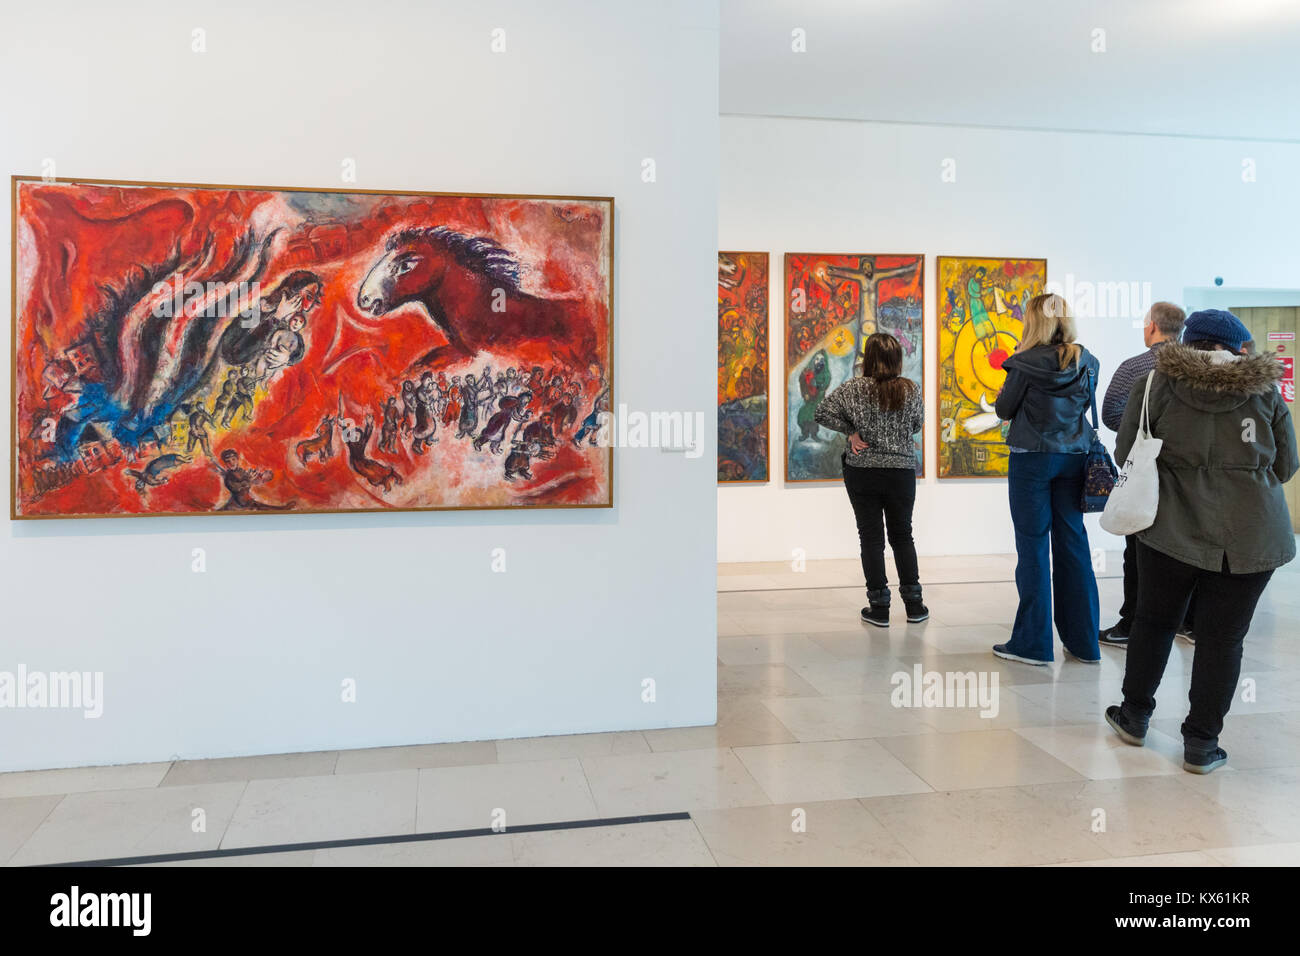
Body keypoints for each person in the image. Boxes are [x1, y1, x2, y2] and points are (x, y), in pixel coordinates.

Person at [1106, 310, 1296, 774]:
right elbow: (1287, 463)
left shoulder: (1154, 385)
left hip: (1170, 527)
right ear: (1237, 348)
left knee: (1153, 622)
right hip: (1251, 534)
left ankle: (1134, 718)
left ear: (1189, 343)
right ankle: (1201, 745)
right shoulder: (1265, 390)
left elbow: (1126, 452)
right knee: (1223, 639)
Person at [991, 293, 1101, 665]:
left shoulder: (1023, 363)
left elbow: (1004, 409)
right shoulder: (1087, 361)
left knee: (1034, 548)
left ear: (1034, 322)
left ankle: (1033, 644)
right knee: (1073, 545)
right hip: (1075, 458)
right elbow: (1082, 407)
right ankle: (1085, 643)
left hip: (1032, 459)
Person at [814, 332, 926, 627]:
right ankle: (914, 606)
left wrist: (851, 431)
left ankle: (879, 608)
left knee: (871, 538)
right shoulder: (910, 389)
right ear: (896, 358)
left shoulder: (854, 388)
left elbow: (821, 412)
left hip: (863, 471)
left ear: (869, 358)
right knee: (903, 535)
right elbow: (916, 424)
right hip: (901, 471)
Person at [1098, 301, 1186, 649]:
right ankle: (1185, 621)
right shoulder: (1197, 367)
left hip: (1145, 470)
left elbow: (1109, 414)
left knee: (1137, 545)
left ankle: (1132, 621)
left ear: (1151, 327)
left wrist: (1143, 437)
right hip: (1186, 471)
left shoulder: (1136, 366)